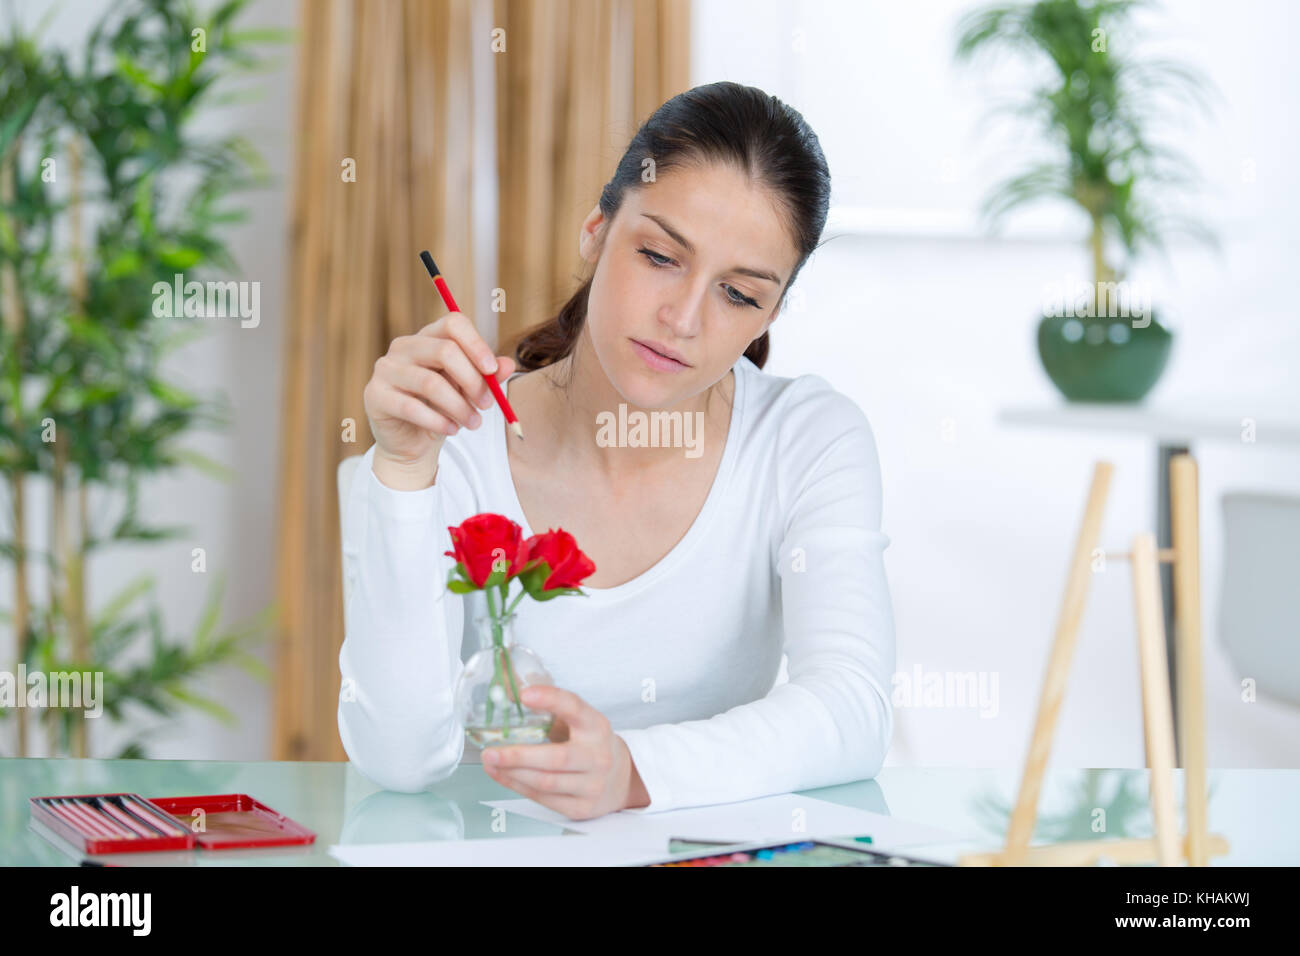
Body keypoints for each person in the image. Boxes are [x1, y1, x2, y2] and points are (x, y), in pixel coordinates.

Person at [339, 80, 895, 819]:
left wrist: (633, 772)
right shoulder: (456, 443)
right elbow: (400, 759)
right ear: (597, 231)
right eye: (661, 256)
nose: (683, 318)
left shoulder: (806, 438)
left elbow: (852, 707)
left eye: (739, 295)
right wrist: (405, 472)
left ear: (772, 311)